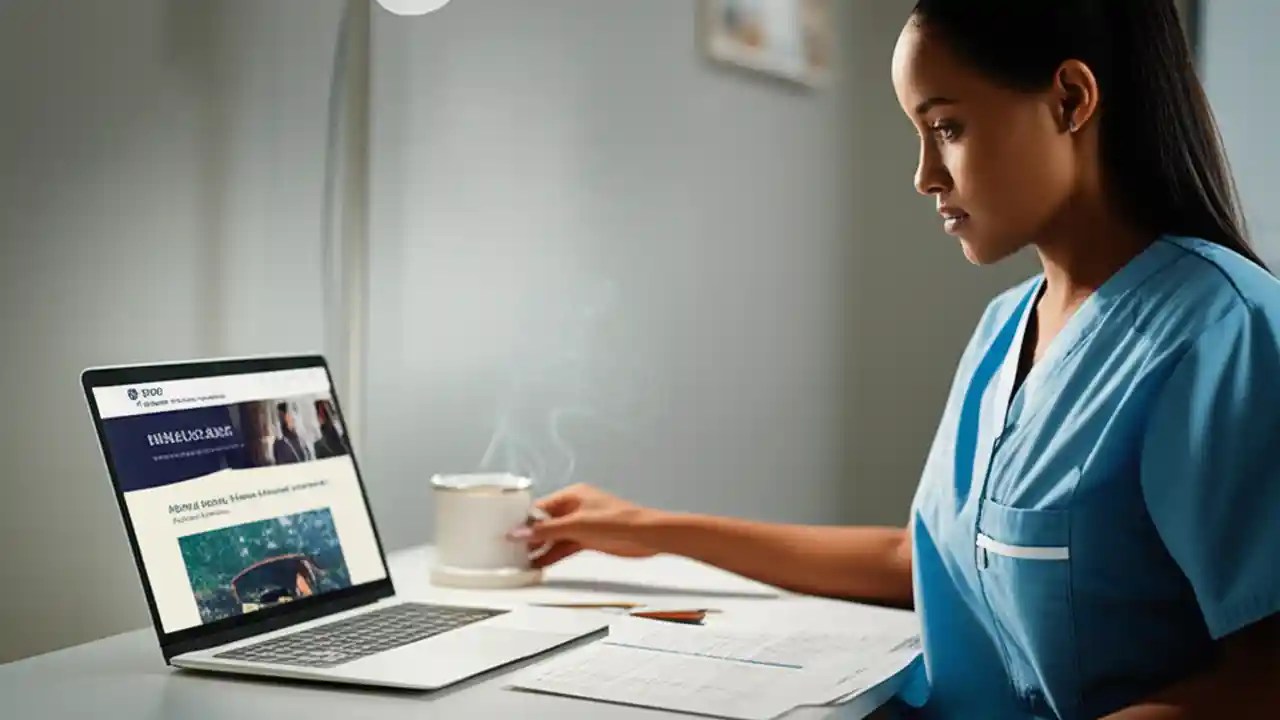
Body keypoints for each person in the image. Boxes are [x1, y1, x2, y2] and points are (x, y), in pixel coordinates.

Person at [508, 2, 1280, 718]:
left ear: (1070, 101)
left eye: (946, 128)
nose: (923, 176)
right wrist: (649, 527)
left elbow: (1264, 677)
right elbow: (923, 560)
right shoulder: (1005, 327)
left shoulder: (1223, 333)